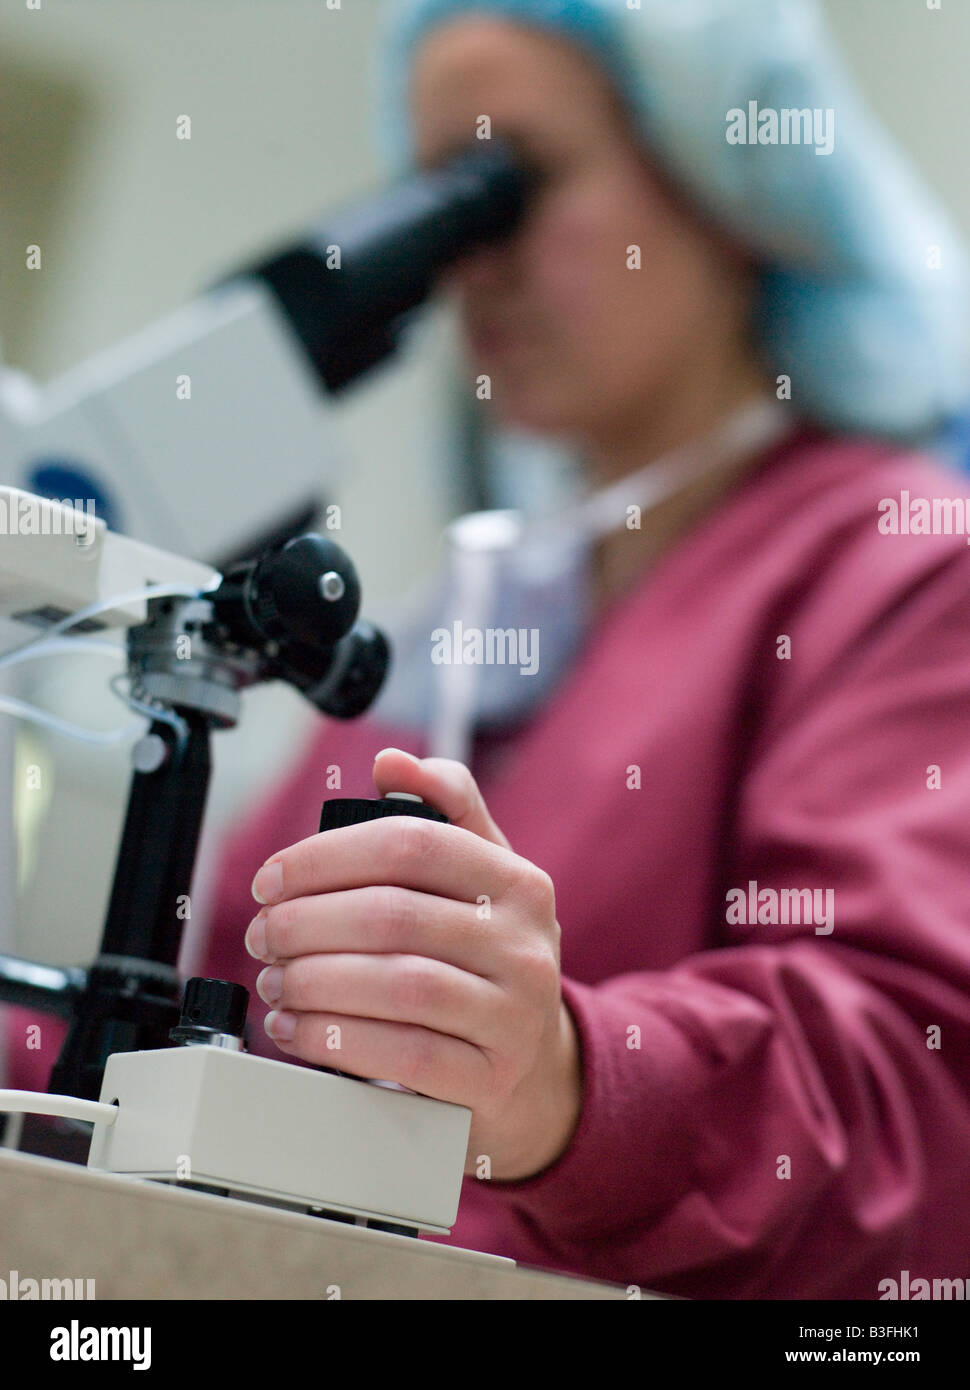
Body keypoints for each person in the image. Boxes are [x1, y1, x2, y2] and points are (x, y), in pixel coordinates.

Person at [7, 0, 970, 1298]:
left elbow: (913, 1097)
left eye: (506, 179)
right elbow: (224, 991)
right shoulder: (472, 607)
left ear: (724, 178)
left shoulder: (903, 565)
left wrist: (570, 1080)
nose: (469, 260)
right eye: (437, 197)